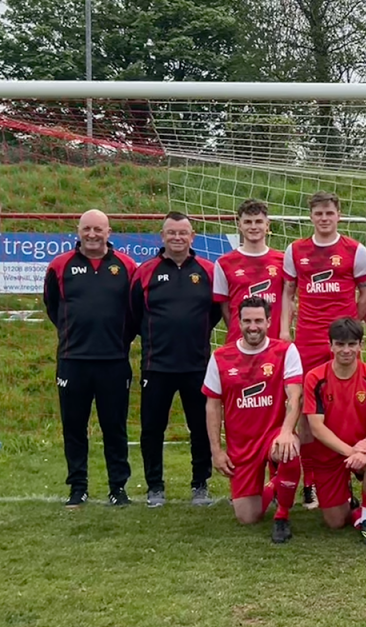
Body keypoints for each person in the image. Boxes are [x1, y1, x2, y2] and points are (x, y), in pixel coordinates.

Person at [282, 190, 366, 508]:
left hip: (343, 343)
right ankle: (310, 482)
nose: (324, 218)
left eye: (329, 213)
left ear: (339, 215)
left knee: (352, 406)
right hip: (308, 341)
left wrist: (349, 326)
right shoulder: (296, 250)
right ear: (311, 216)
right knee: (307, 412)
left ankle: (362, 469)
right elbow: (288, 293)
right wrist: (284, 331)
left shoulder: (355, 251)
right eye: (319, 213)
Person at [43, 209, 138, 508]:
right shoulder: (60, 266)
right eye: (87, 229)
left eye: (98, 229)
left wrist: (120, 340)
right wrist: (73, 334)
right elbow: (52, 307)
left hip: (114, 361)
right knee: (74, 427)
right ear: (78, 231)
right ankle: (78, 487)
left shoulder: (127, 266)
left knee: (115, 427)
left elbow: (135, 310)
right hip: (73, 361)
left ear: (109, 232)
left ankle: (118, 487)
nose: (92, 234)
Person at [130, 212, 223, 508]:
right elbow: (134, 313)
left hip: (197, 364)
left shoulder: (208, 271)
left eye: (183, 233)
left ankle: (200, 485)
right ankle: (154, 486)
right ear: (162, 236)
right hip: (156, 365)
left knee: (200, 427)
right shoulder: (145, 272)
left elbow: (215, 313)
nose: (177, 238)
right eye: (171, 232)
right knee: (152, 428)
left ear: (192, 237)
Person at [202, 296, 304, 544]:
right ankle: (275, 485)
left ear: (269, 321)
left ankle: (282, 516)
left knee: (289, 450)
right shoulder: (220, 357)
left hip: (273, 435)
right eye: (247, 321)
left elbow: (295, 396)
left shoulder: (285, 351)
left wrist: (287, 431)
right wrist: (216, 451)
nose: (253, 326)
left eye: (258, 320)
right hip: (242, 445)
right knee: (248, 517)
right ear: (238, 322)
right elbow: (212, 406)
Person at [302, 318, 366, 546]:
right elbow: (317, 428)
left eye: (352, 344)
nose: (346, 350)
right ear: (330, 346)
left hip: (363, 448)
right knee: (335, 522)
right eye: (340, 344)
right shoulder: (315, 378)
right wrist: (351, 452)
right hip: (329, 453)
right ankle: (351, 503)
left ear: (361, 345)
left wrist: (363, 451)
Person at [214, 199, 288, 343]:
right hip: (239, 342)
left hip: (274, 342)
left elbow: (288, 300)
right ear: (239, 225)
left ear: (267, 225)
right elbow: (225, 308)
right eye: (248, 222)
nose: (253, 227)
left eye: (258, 222)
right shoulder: (224, 263)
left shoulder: (283, 261)